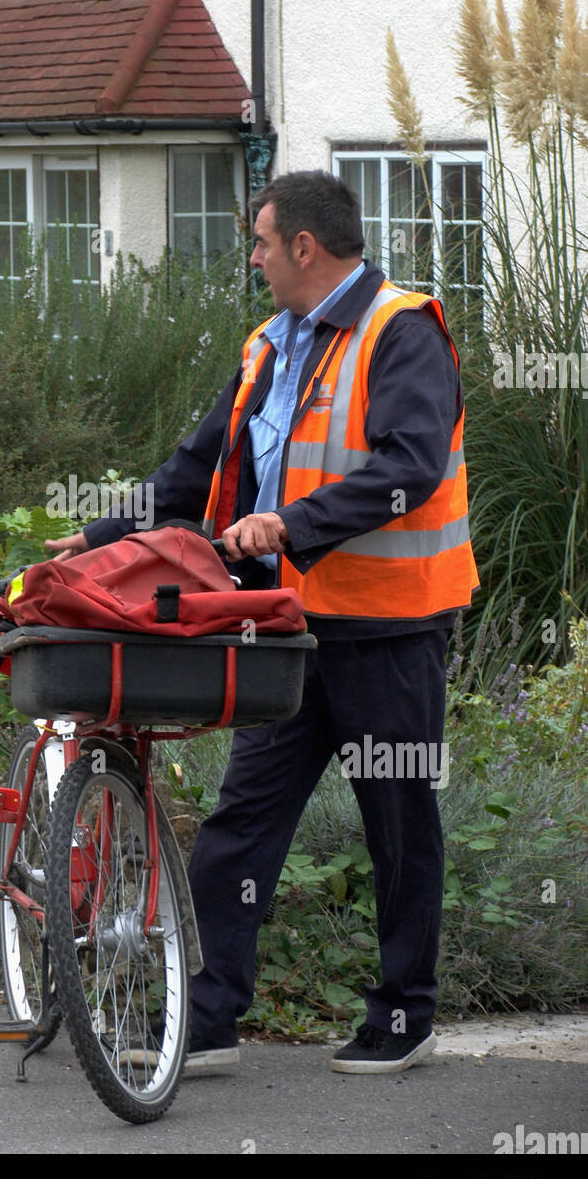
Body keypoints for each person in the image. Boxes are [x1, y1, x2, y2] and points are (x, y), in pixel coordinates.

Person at [46, 169, 478, 1074]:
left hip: (389, 631)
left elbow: (411, 466)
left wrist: (293, 524)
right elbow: (192, 472)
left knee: (397, 826)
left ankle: (405, 1016)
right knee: (241, 825)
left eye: (260, 243)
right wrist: (91, 536)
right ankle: (204, 1025)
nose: (253, 257)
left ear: (303, 249)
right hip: (283, 627)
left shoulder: (401, 330)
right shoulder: (269, 345)